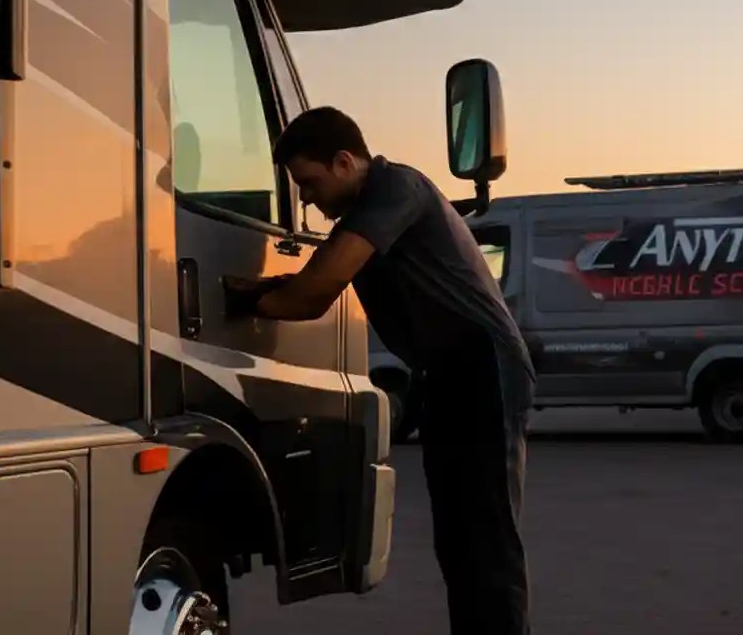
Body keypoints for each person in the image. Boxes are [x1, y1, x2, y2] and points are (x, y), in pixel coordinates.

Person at [224, 106, 535, 634]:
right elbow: (308, 280)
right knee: (459, 542)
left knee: (486, 538)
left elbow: (313, 294)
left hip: (484, 367)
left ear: (344, 162)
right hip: (444, 374)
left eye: (309, 182)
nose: (308, 200)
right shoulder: (367, 214)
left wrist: (239, 302)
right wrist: (262, 290)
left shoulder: (396, 190)